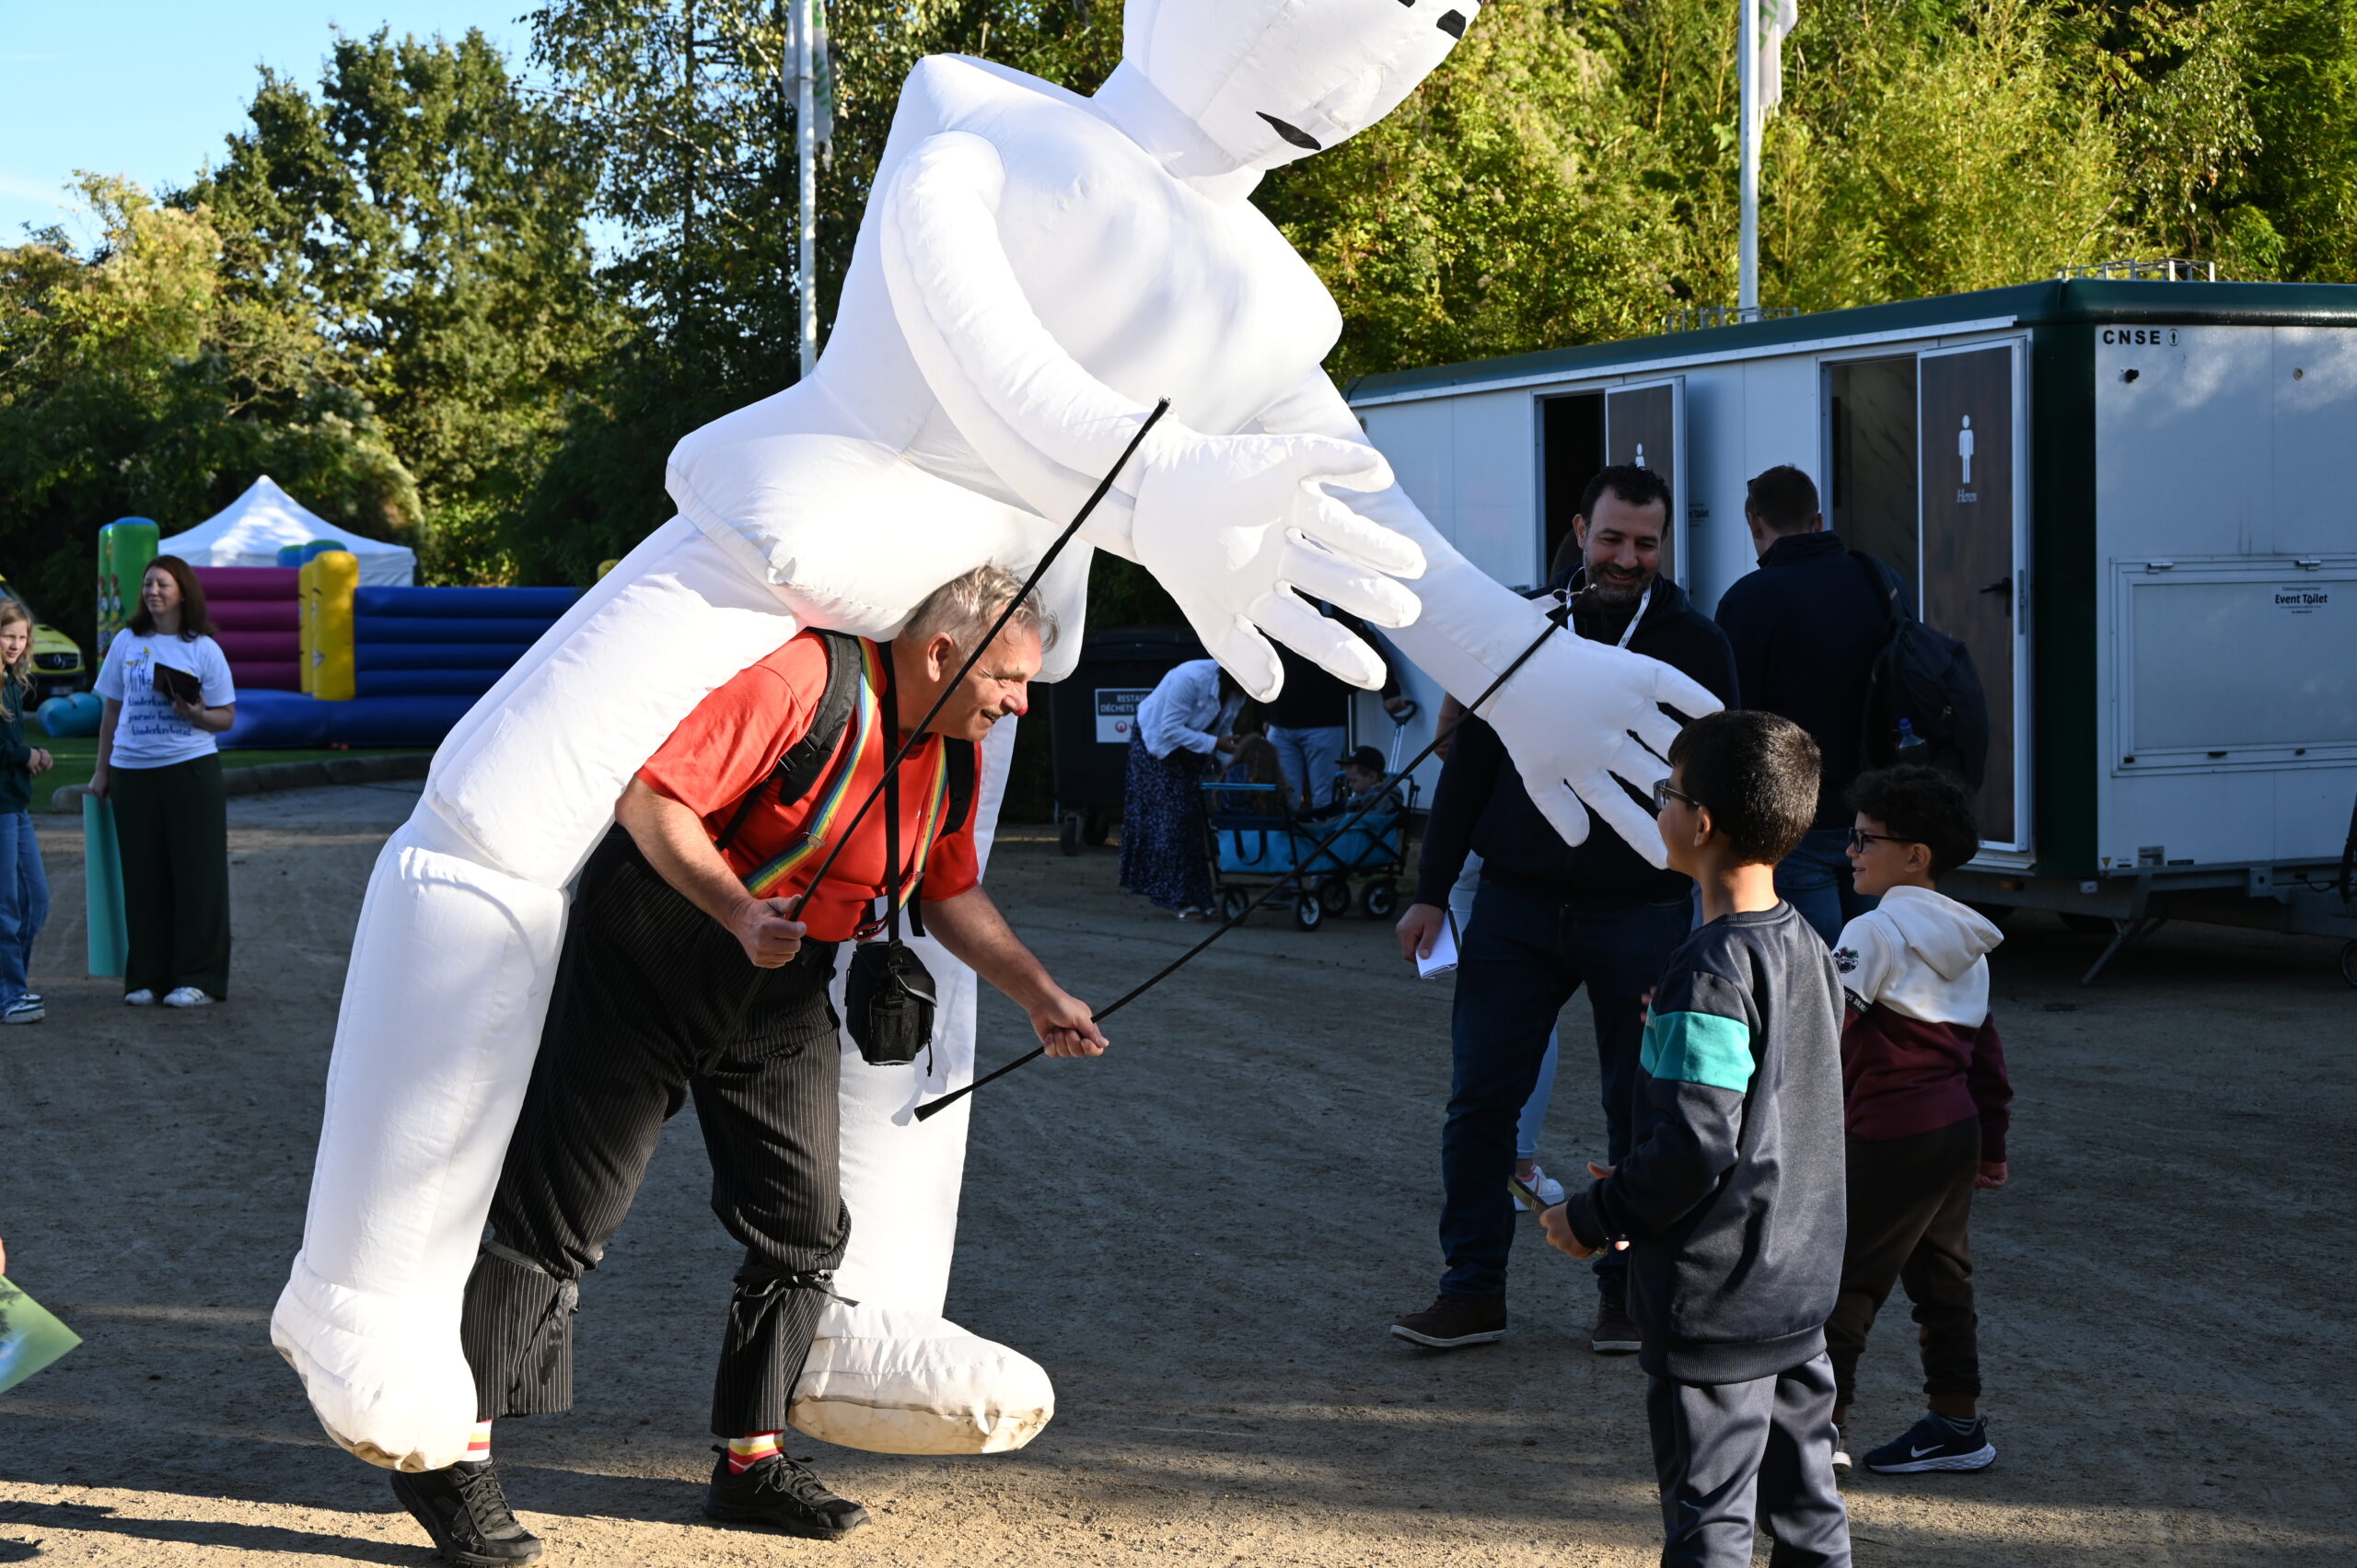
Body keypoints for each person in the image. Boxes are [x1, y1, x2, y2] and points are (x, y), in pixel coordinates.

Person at [392, 569, 1107, 1564]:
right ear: (941, 652)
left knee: (807, 1224)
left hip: (779, 977)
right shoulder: (800, 681)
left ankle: (748, 1459)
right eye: (1010, 679)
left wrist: (1038, 990)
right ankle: (443, 1457)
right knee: (560, 1217)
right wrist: (736, 910)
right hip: (656, 942)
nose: (1019, 701)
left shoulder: (954, 750)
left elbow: (948, 886)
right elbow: (653, 800)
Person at [1391, 466, 1739, 1356]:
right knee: (1480, 1104)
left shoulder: (1696, 643)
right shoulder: (1523, 628)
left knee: (1646, 1109)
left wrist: (1722, 903)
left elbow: (1723, 785)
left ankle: (1626, 1293)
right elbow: (1468, 766)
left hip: (1645, 911)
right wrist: (1431, 890)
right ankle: (1472, 1290)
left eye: (1646, 542)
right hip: (1515, 905)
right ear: (1581, 529)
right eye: (1613, 537)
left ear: (1666, 546)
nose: (1628, 556)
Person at [1542, 710, 1851, 1568]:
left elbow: (1694, 1147)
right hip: (1797, 1283)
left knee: (1711, 1522)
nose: (1660, 805)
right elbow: (1762, 1113)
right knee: (1810, 1515)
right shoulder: (1808, 944)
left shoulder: (1706, 969)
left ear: (1702, 821)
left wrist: (1596, 1212)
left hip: (1716, 1296)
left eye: (1666, 791)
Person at [1824, 765, 2013, 1477]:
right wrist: (1990, 1145)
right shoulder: (1970, 943)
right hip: (1953, 1131)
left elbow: (1827, 1033)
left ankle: (1819, 1428)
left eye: (1865, 839)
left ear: (1916, 855)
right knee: (1943, 1279)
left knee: (1844, 1280)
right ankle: (1957, 1422)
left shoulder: (1872, 931)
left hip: (1888, 1131)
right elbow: (1986, 1058)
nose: (1851, 851)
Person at [1712, 465, 1899, 946]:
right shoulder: (1879, 580)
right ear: (1817, 521)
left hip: (1797, 819)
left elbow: (1738, 723)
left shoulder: (1748, 600)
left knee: (1816, 977)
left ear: (1755, 524)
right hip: (1879, 815)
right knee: (1877, 969)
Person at [88, 556, 236, 1008]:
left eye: (162, 585)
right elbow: (112, 710)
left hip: (189, 771)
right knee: (143, 876)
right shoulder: (127, 642)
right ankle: (146, 978)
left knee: (197, 877)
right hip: (133, 773)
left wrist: (196, 714)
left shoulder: (203, 648)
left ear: (183, 592)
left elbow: (226, 717)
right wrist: (102, 770)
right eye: (148, 584)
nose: (153, 591)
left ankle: (199, 979)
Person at [1120, 657, 1242, 919]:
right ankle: (1180, 899)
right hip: (1155, 747)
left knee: (1191, 821)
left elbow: (1223, 731)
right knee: (1174, 820)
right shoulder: (1190, 678)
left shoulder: (1239, 692)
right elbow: (1170, 729)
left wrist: (1235, 762)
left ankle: (1200, 897)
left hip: (1189, 751)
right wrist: (1217, 744)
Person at [1264, 608, 1407, 810]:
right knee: (1288, 797)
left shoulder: (1330, 610)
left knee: (1322, 797)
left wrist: (1390, 690)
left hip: (1322, 720)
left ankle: (1322, 839)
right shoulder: (1274, 611)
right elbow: (1263, 660)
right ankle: (1297, 840)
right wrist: (1266, 713)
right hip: (1284, 722)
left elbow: (1368, 645)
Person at [0, 599, 53, 1026]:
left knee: (35, 899)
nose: (16, 643)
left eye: (21, 636)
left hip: (15, 805)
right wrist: (27, 754)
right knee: (6, 905)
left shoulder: (12, 683)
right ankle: (10, 994)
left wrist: (32, 757)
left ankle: (9, 987)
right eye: (7, 635)